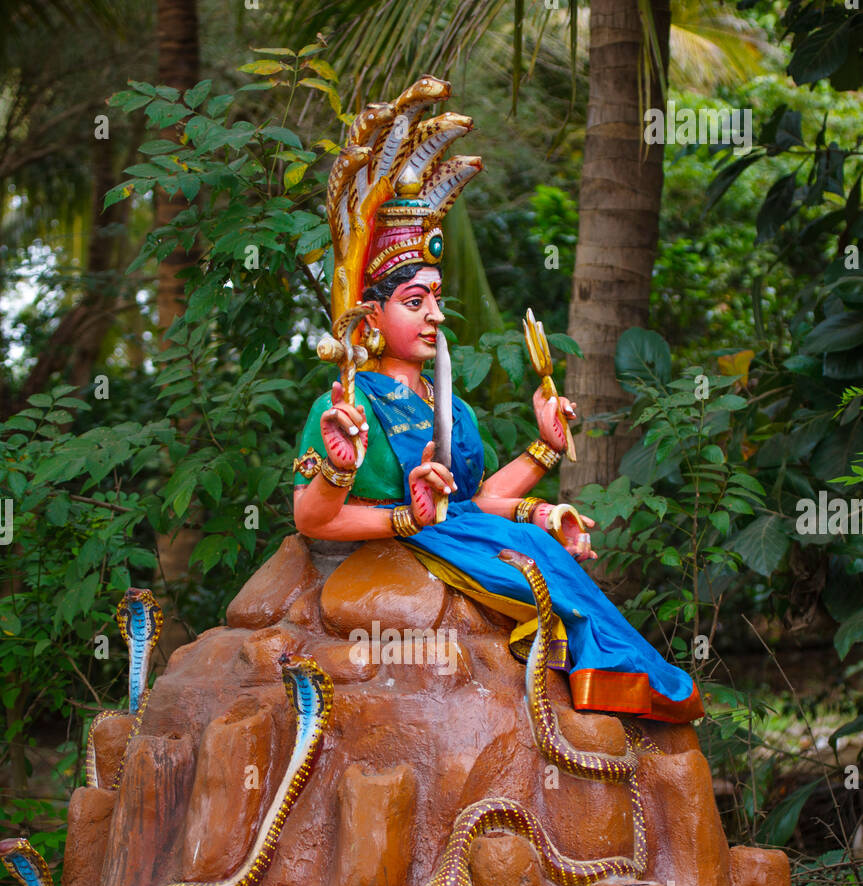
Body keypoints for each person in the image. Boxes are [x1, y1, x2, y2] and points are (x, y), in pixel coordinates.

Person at [293, 78, 703, 722]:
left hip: (457, 532)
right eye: (414, 302)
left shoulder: (447, 403)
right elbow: (314, 520)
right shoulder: (348, 406)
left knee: (554, 563)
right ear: (370, 317)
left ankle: (631, 694)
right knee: (536, 583)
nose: (434, 316)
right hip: (413, 548)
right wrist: (377, 499)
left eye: (435, 299)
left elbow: (472, 501)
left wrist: (543, 477)